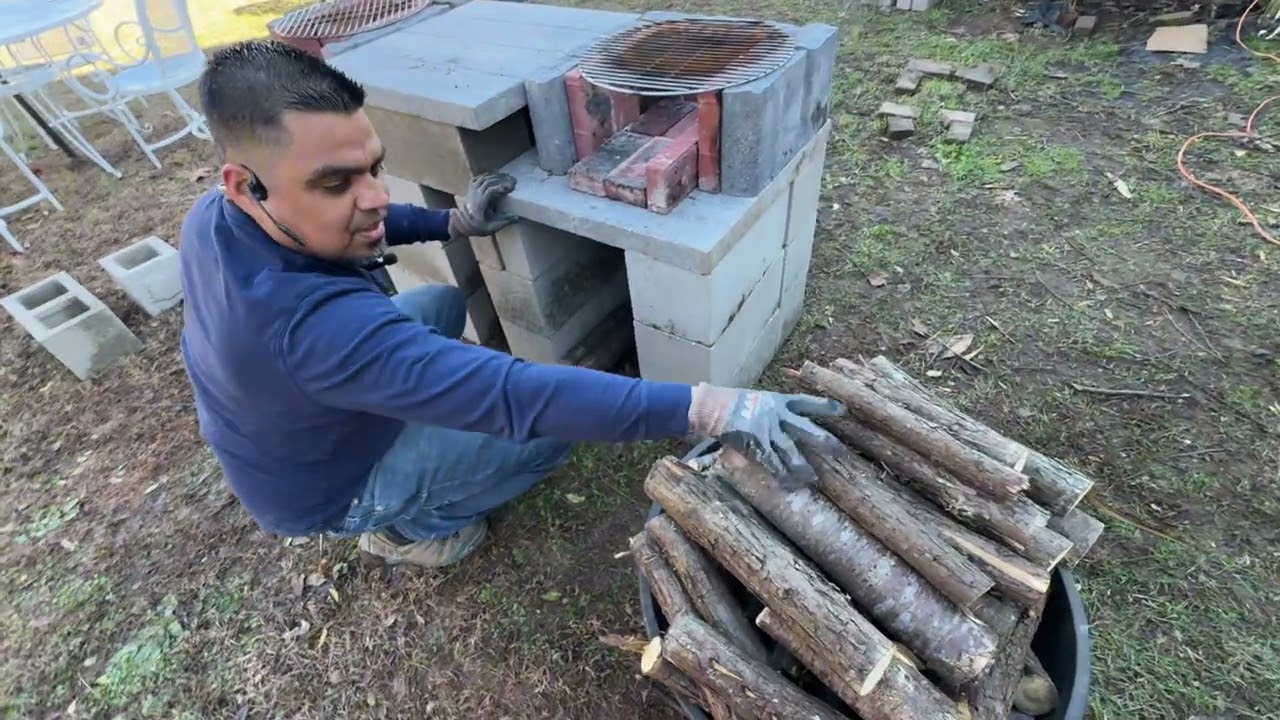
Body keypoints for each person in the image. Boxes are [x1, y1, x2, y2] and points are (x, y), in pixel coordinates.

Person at [178, 39, 847, 570]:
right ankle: (409, 530)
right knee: (546, 432)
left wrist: (451, 225)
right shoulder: (315, 331)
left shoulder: (218, 216)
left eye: (373, 167)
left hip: (290, 420)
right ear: (248, 186)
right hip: (326, 484)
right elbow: (517, 398)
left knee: (439, 301)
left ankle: (407, 459)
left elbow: (370, 221)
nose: (374, 196)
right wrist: (710, 405)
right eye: (334, 183)